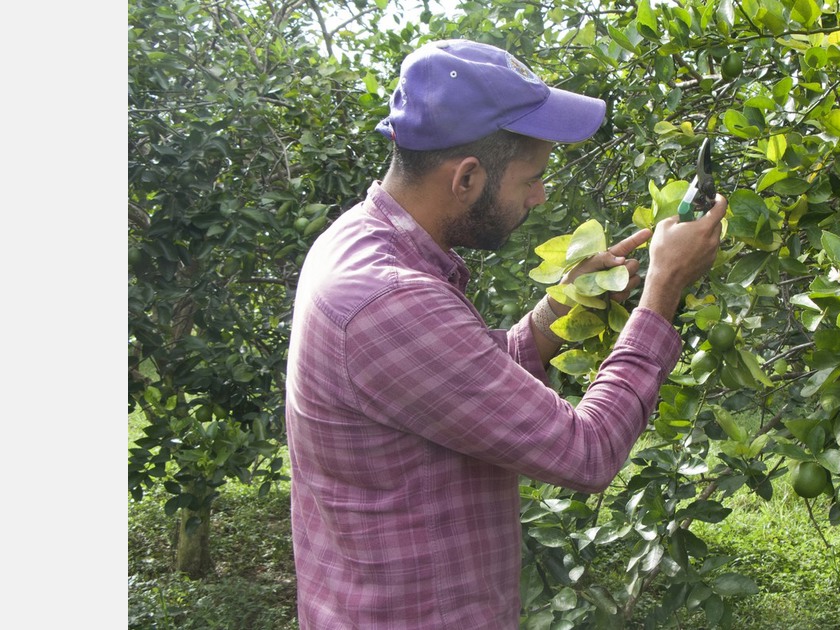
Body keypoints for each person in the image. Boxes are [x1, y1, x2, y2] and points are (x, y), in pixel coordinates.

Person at [284, 38, 727, 629]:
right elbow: (585, 451)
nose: (540, 196)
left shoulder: (361, 241)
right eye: (533, 178)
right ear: (466, 178)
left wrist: (569, 303)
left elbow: (468, 378)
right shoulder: (388, 300)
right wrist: (661, 292)